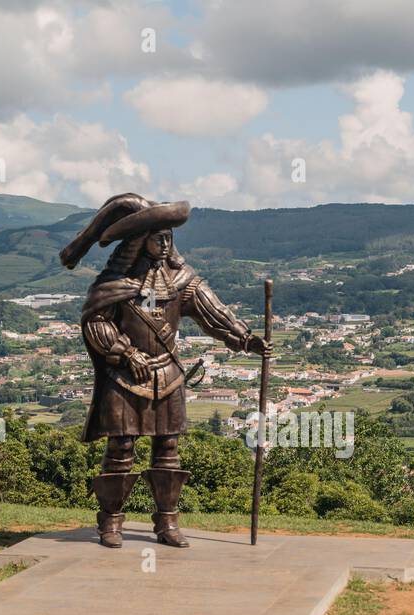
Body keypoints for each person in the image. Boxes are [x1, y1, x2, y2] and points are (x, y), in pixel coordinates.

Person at [60, 194, 272, 548]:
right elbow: (97, 323)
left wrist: (247, 340)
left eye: (169, 237)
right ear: (138, 241)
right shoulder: (115, 284)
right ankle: (110, 522)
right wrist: (126, 354)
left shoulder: (181, 282)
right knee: (121, 447)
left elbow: (215, 314)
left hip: (169, 376)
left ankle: (167, 522)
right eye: (158, 236)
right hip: (125, 378)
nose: (165, 243)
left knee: (168, 448)